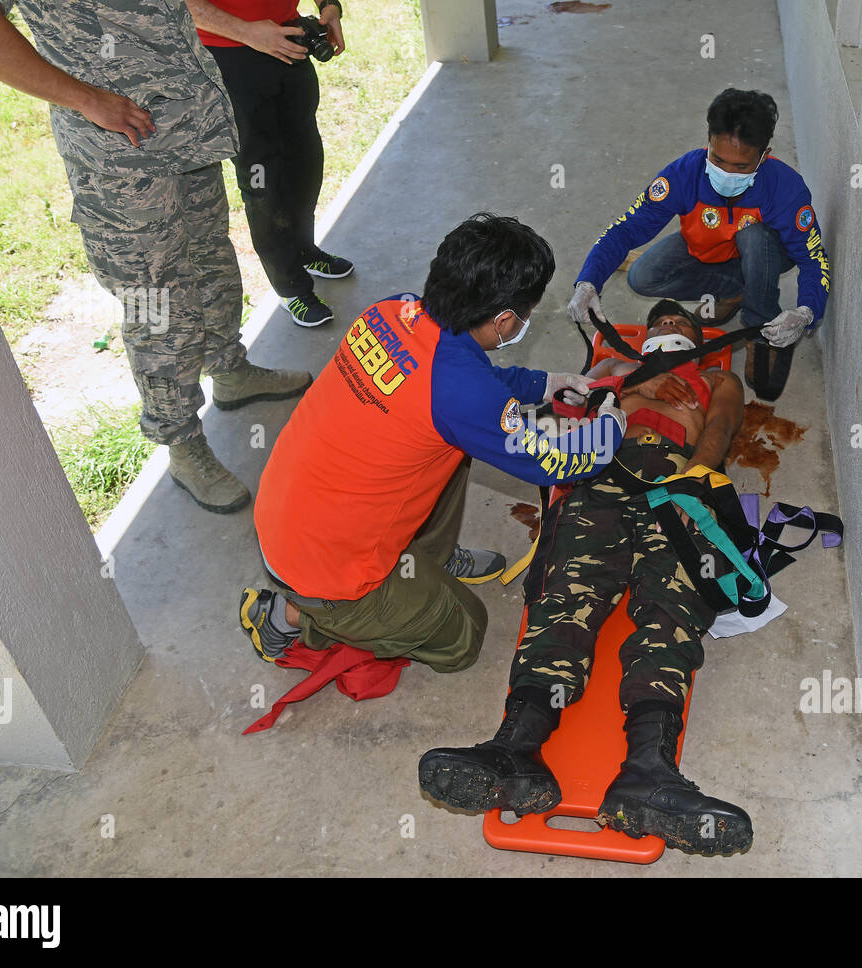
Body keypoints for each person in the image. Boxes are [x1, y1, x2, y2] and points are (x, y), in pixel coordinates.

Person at [0, 0, 314, 515]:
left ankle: (230, 369)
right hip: (120, 154)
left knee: (211, 263)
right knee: (156, 300)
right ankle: (181, 442)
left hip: (187, 127)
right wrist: (85, 98)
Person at [418, 299, 756, 856]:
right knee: (564, 598)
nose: (669, 329)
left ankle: (649, 771)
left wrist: (696, 485)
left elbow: (718, 432)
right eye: (661, 324)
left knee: (671, 607)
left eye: (681, 326)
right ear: (644, 339)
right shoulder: (615, 372)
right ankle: (516, 750)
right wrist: (627, 387)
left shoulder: (717, 377)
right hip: (600, 475)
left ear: (698, 340)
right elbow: (565, 412)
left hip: (676, 478)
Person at [239, 213, 628, 677]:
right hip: (323, 572)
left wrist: (545, 385)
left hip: (291, 517)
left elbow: (465, 380)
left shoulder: (391, 311)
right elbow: (557, 462)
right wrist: (611, 425)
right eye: (525, 314)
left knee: (449, 443)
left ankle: (426, 561)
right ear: (505, 320)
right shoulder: (458, 394)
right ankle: (292, 616)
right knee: (464, 635)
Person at [566, 88, 832, 402]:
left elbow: (813, 258)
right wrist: (588, 281)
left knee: (754, 236)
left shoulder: (785, 188)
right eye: (718, 160)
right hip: (707, 250)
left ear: (765, 155)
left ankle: (758, 320)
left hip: (764, 253)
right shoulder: (683, 176)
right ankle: (734, 291)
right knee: (642, 275)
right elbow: (625, 231)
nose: (727, 173)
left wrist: (806, 313)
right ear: (708, 140)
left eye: (742, 167)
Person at [186, 0, 352, 328]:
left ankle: (304, 250)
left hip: (289, 43)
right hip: (230, 56)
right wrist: (247, 32)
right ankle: (290, 285)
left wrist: (329, 6)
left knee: (305, 162)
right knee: (261, 177)